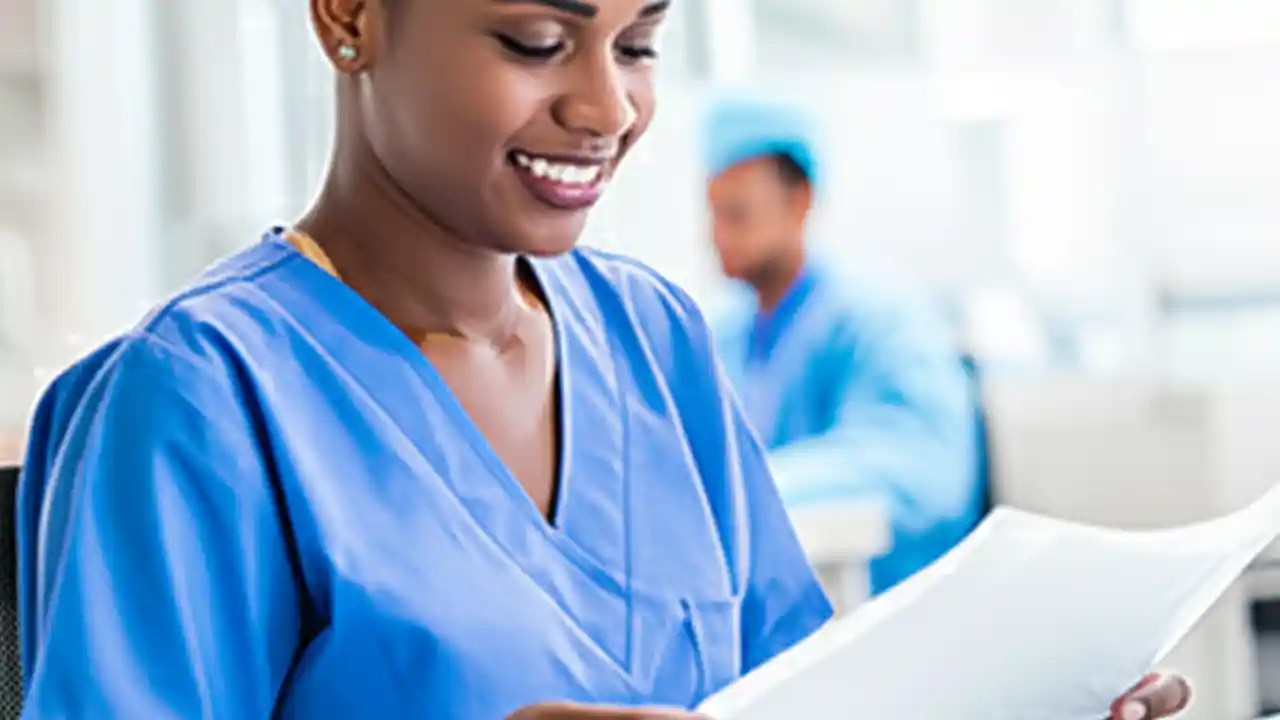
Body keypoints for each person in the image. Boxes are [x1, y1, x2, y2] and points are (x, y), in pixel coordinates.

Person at [15, 1, 1187, 718]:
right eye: (536, 41)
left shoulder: (656, 344)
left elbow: (800, 698)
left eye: (638, 44)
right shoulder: (202, 398)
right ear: (348, 14)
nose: (607, 106)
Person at [702, 93, 984, 595]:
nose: (717, 235)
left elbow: (923, 475)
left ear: (799, 201)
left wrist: (747, 491)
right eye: (714, 214)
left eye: (738, 214)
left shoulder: (880, 322)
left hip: (885, 612)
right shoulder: (722, 338)